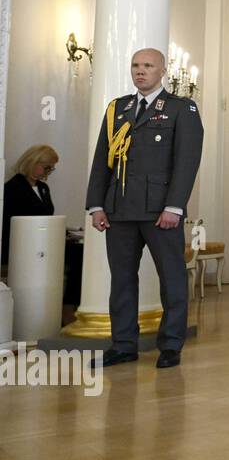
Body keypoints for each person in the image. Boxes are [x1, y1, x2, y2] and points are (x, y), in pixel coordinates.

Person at [86, 48, 204, 368]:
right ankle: (123, 343)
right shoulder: (118, 108)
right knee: (122, 279)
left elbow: (186, 163)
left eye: (148, 66)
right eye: (136, 65)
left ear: (163, 71)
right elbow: (102, 160)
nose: (141, 71)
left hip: (160, 211)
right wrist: (97, 204)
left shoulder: (182, 109)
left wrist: (175, 207)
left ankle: (171, 344)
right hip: (119, 209)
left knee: (172, 278)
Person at [3, 144, 58, 267]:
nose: (48, 172)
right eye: (46, 167)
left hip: (41, 245)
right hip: (21, 249)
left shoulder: (43, 188)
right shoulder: (12, 188)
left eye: (51, 168)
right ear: (32, 163)